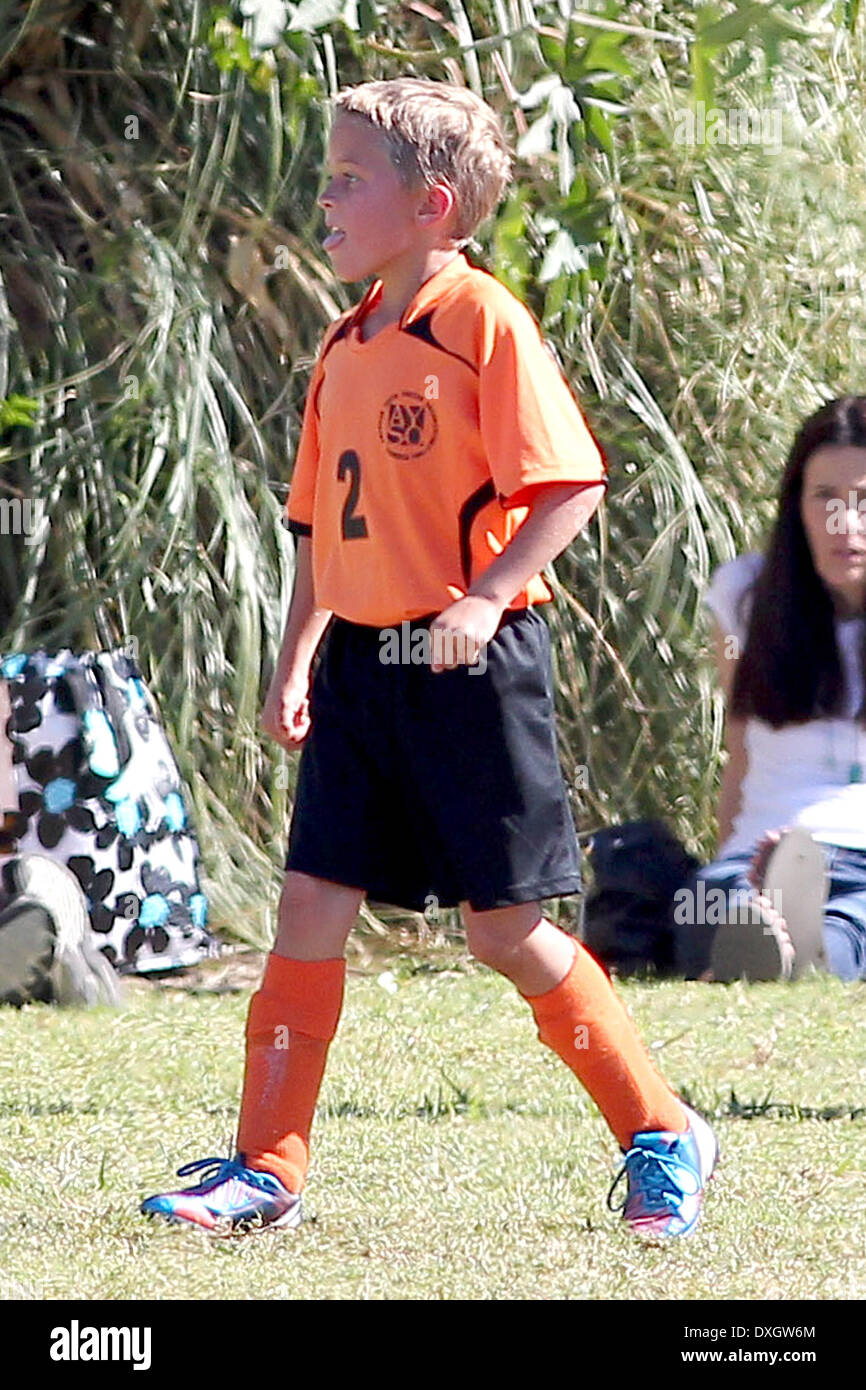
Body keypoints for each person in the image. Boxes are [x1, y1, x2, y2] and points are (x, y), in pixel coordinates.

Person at [141, 78, 717, 1239]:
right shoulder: (344, 344)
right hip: (359, 667)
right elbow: (315, 525)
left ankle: (661, 1130)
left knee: (499, 931)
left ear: (429, 205)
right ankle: (266, 1166)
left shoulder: (481, 321)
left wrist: (487, 595)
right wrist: (297, 651)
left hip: (469, 667)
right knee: (309, 905)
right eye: (326, 174)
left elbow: (570, 482)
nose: (323, 195)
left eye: (348, 178)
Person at [674, 396, 866, 983]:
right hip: (761, 853)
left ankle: (803, 951)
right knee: (708, 903)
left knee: (853, 921)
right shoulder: (746, 597)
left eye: (864, 501)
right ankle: (770, 930)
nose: (845, 525)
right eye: (825, 498)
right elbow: (741, 755)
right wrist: (736, 852)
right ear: (795, 507)